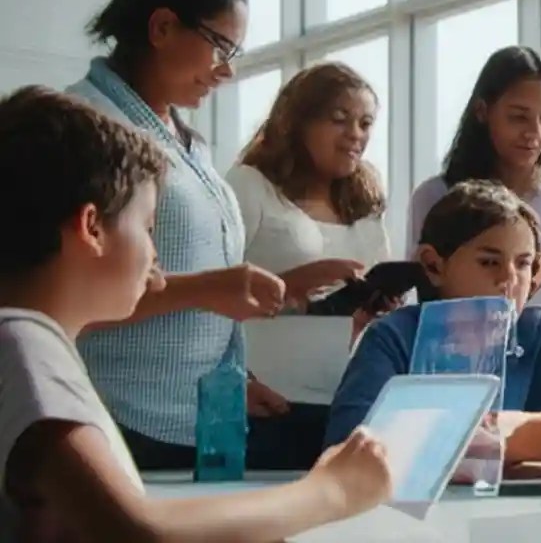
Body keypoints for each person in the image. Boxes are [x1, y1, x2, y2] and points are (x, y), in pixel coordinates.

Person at [0, 87, 391, 542]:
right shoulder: (25, 348)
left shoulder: (30, 347)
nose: (157, 263)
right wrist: (332, 491)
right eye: (148, 229)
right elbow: (137, 531)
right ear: (92, 228)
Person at [67, 0, 288, 470]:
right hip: (119, 421)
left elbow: (191, 273)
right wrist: (208, 289)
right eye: (220, 47)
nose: (227, 71)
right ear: (162, 27)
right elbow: (61, 295)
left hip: (198, 421)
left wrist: (234, 378)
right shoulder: (82, 128)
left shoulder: (190, 144)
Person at [329, 180, 541, 471]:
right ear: (433, 265)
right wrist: (504, 442)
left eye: (523, 263)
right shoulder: (393, 338)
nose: (509, 279)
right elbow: (345, 445)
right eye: (489, 262)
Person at [225, 63, 395, 466]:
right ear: (297, 123)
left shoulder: (366, 203)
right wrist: (290, 286)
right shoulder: (249, 185)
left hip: (349, 401)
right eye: (339, 119)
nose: (355, 134)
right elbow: (211, 290)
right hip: (269, 400)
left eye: (365, 123)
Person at [405, 46, 541, 260]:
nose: (535, 133)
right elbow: (423, 277)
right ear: (482, 111)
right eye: (519, 117)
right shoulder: (434, 196)